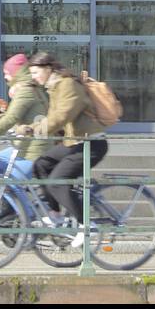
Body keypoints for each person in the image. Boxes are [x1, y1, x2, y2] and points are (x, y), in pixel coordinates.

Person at [27, 52, 108, 240]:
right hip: (74, 142)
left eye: (35, 72)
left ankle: (86, 225)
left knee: (57, 180)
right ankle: (55, 215)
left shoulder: (67, 84)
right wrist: (30, 128)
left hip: (91, 143)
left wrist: (39, 130)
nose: (33, 77)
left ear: (48, 69)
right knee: (41, 165)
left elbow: (63, 115)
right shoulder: (54, 86)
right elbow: (52, 118)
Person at [0, 53, 49, 181]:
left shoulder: (26, 91)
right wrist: (4, 112)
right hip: (25, 145)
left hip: (34, 149)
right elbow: (18, 114)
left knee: (13, 183)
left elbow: (11, 119)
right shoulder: (29, 88)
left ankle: (19, 198)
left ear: (17, 74)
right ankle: (8, 199)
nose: (6, 77)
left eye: (8, 73)